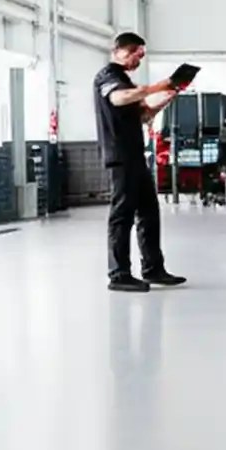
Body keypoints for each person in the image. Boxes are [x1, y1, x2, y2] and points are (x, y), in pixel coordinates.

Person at [93, 32, 187, 292]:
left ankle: (153, 268)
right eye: (136, 54)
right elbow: (118, 98)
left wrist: (163, 101)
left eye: (142, 56)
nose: (138, 60)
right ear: (121, 51)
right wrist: (157, 86)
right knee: (122, 215)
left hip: (135, 155)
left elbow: (142, 116)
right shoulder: (108, 76)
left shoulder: (124, 80)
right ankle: (119, 274)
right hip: (120, 156)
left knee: (148, 212)